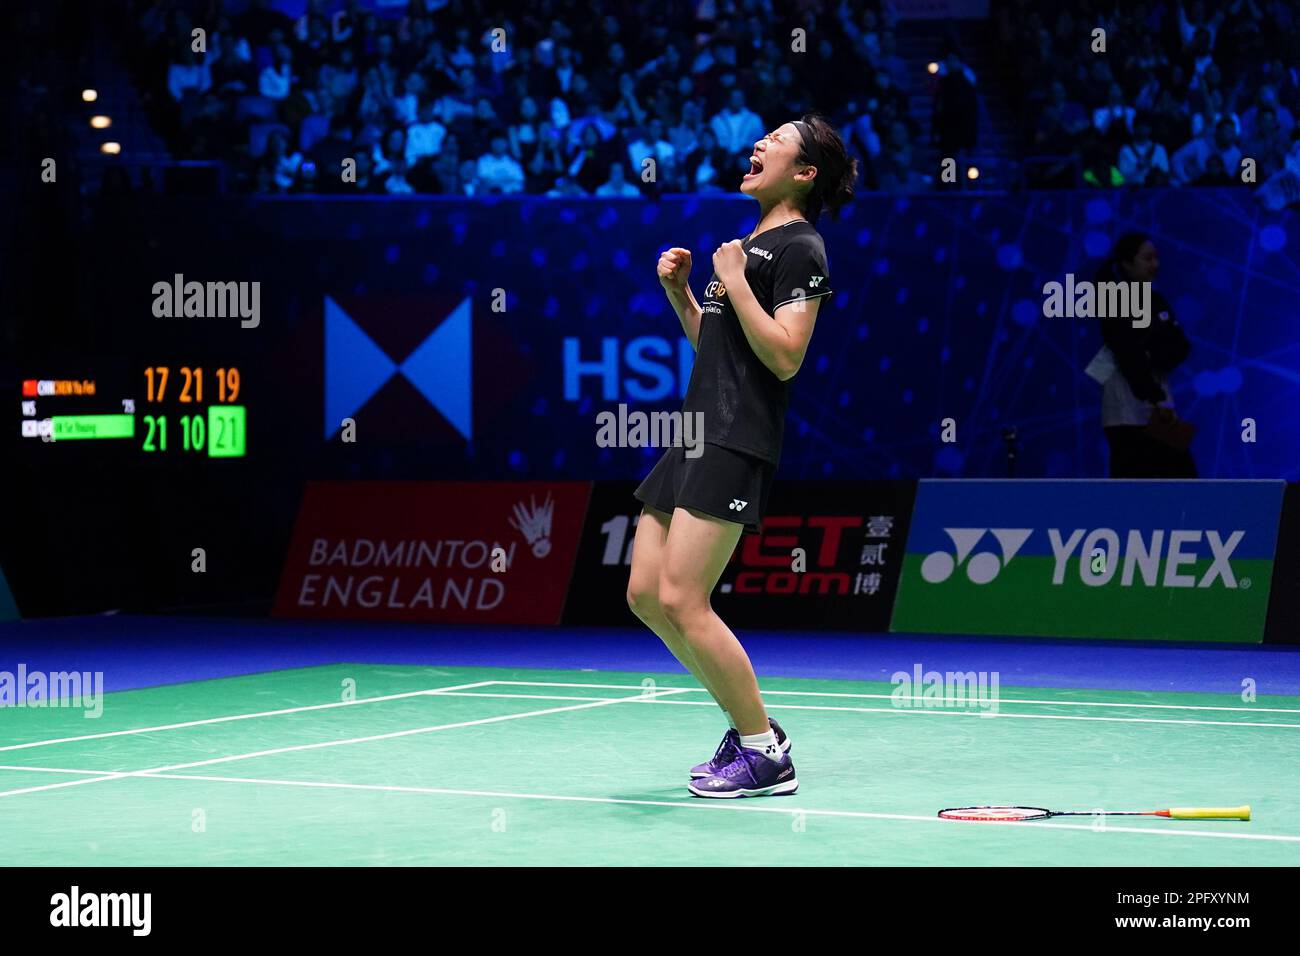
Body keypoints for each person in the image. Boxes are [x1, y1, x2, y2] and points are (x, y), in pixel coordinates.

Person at [628, 115, 857, 798]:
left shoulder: (801, 248)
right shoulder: (749, 243)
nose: (759, 144)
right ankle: (749, 727)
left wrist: (735, 276)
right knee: (645, 593)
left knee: (683, 597)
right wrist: (684, 296)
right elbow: (722, 349)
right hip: (697, 429)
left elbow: (784, 356)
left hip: (735, 437)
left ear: (805, 172)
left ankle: (764, 753)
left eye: (777, 140)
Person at [1089, 234, 1196, 478]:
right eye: (1147, 258)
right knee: (1133, 491)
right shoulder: (1115, 301)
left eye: (1157, 258)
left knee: (1185, 482)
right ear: (1127, 263)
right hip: (1129, 413)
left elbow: (1181, 346)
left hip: (1159, 408)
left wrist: (1155, 354)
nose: (1155, 265)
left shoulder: (1156, 300)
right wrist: (1153, 395)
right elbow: (1128, 353)